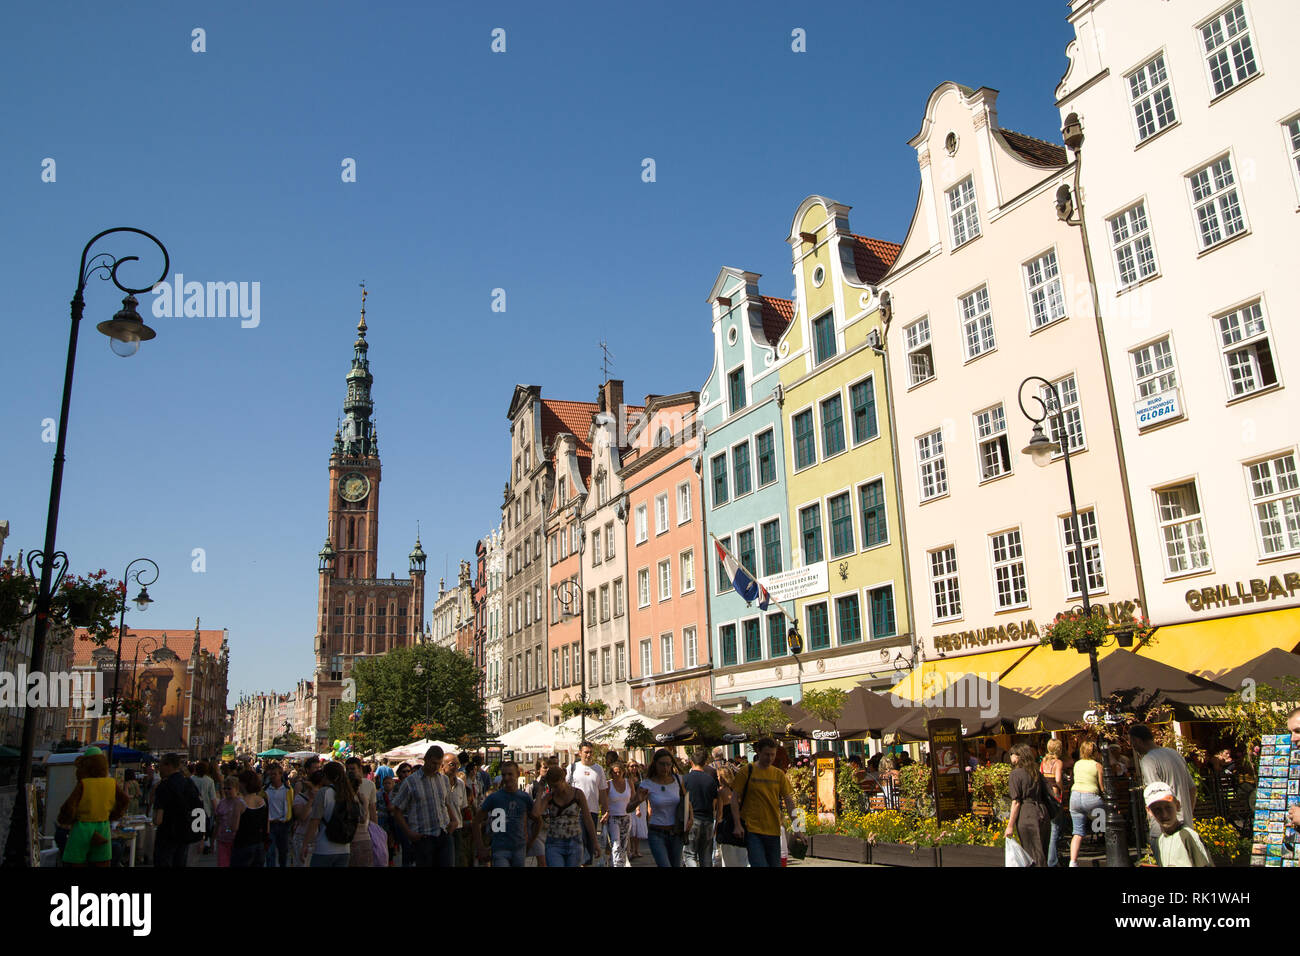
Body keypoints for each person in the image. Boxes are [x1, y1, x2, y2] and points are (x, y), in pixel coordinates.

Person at [1129, 724, 1196, 860]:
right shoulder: (1174, 753)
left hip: (1165, 830)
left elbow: (1156, 797)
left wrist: (1164, 823)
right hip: (1185, 825)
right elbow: (1192, 788)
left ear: (1137, 740)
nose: (1133, 747)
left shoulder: (1148, 760)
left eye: (1132, 743)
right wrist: (1186, 813)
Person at [727, 738, 794, 868]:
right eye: (767, 754)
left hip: (773, 830)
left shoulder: (778, 775)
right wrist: (737, 824)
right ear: (758, 752)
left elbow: (790, 801)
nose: (770, 758)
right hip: (752, 830)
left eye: (772, 755)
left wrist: (798, 828)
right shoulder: (747, 771)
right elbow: (734, 798)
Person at [57, 747, 128, 868]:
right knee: (101, 861)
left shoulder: (84, 784)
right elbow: (124, 801)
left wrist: (66, 820)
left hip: (82, 828)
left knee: (75, 861)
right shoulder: (111, 783)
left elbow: (69, 807)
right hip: (103, 827)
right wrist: (113, 815)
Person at [390, 746, 460, 867]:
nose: (435, 767)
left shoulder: (443, 780)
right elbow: (397, 810)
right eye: (433, 763)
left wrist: (454, 820)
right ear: (426, 760)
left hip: (443, 833)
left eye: (438, 764)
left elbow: (446, 803)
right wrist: (409, 833)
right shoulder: (411, 782)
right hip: (423, 837)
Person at [626, 749, 693, 868]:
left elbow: (686, 801)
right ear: (655, 764)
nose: (665, 767)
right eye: (662, 764)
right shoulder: (647, 784)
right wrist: (638, 800)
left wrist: (690, 818)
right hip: (656, 833)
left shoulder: (678, 780)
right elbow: (628, 808)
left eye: (668, 764)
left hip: (676, 832)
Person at [534, 765, 601, 867]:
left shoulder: (577, 794)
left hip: (574, 841)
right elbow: (536, 813)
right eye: (552, 787)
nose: (554, 789)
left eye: (556, 786)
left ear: (563, 779)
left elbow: (588, 819)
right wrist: (539, 792)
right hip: (554, 843)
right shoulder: (549, 797)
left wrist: (595, 843)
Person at [474, 761, 538, 867]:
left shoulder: (524, 797)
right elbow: (476, 821)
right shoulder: (494, 798)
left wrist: (531, 841)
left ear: (517, 774)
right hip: (499, 848)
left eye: (510, 774)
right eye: (504, 775)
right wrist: (480, 847)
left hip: (519, 848)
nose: (507, 778)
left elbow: (537, 820)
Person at [302, 761, 356, 867]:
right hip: (344, 848)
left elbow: (315, 821)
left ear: (326, 775)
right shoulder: (349, 793)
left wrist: (305, 845)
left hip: (325, 847)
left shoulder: (324, 792)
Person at [152, 753, 202, 867]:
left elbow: (158, 819)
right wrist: (200, 835)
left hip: (166, 835)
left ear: (168, 765)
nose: (159, 769)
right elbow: (198, 808)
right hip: (184, 833)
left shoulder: (164, 786)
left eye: (160, 765)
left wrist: (154, 820)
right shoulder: (189, 783)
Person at [1005, 744, 1051, 867]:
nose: (1010, 757)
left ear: (1018, 756)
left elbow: (1016, 802)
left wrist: (1010, 826)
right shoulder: (1035, 771)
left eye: (1011, 754)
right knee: (1042, 852)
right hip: (1042, 811)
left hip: (1027, 814)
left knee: (1031, 853)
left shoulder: (1015, 774)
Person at [1145, 782, 1211, 867]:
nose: (1164, 814)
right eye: (1157, 809)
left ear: (1177, 805)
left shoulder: (1187, 836)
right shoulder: (1160, 840)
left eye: (1168, 807)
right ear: (1149, 811)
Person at [566, 741, 609, 866]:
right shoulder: (572, 768)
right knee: (580, 841)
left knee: (590, 842)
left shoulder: (598, 769)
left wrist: (605, 810)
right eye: (586, 752)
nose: (589, 755)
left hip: (592, 811)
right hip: (576, 811)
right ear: (580, 753)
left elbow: (602, 791)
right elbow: (565, 788)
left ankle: (586, 864)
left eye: (591, 752)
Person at [1067, 740, 1104, 867]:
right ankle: (1110, 850)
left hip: (1075, 797)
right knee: (1108, 821)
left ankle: (1073, 862)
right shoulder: (1097, 765)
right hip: (1091, 797)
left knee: (1077, 832)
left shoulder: (1077, 764)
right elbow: (1101, 786)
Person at [683, 747, 718, 867]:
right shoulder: (710, 780)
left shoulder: (685, 779)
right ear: (705, 763)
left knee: (689, 854)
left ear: (691, 762)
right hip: (708, 820)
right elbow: (714, 802)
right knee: (706, 855)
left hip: (692, 820)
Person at [230, 770, 268, 867]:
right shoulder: (263, 801)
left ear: (243, 784)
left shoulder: (240, 802)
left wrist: (227, 828)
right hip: (259, 844)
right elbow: (267, 826)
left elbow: (234, 827)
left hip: (242, 844)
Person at [346, 756, 377, 867]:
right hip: (346, 835)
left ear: (360, 769)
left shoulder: (369, 785)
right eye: (348, 769)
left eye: (353, 768)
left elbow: (372, 809)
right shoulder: (343, 785)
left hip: (364, 833)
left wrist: (375, 831)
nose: (350, 771)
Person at [715, 764, 749, 867]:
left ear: (721, 777)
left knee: (728, 859)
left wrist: (716, 828)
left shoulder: (721, 792)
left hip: (727, 828)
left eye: (717, 776)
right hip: (741, 825)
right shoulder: (738, 790)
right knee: (742, 859)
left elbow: (720, 813)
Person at [442, 752, 472, 866]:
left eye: (457, 765)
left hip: (458, 828)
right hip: (443, 829)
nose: (455, 767)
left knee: (457, 859)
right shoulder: (438, 783)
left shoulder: (460, 784)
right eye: (451, 764)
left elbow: (464, 807)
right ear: (442, 766)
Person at [604, 758, 635, 867]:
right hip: (613, 817)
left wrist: (638, 808)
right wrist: (605, 813)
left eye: (619, 772)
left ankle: (618, 863)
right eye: (614, 772)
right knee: (616, 843)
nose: (617, 774)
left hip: (626, 817)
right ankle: (617, 864)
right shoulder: (608, 785)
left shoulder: (628, 782)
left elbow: (634, 798)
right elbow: (604, 801)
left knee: (623, 844)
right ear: (611, 773)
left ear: (623, 772)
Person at [1040, 739, 1065, 867]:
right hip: (1055, 794)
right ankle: (1052, 861)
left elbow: (1041, 776)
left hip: (1045, 795)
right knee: (1055, 828)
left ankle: (1050, 858)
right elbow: (1058, 779)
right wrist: (1062, 787)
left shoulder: (1043, 761)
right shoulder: (1058, 762)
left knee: (1049, 828)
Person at [263, 763, 294, 867]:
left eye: (275, 774)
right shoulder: (265, 790)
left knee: (283, 852)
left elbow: (291, 806)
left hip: (283, 824)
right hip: (270, 824)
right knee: (270, 853)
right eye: (270, 774)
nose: (272, 776)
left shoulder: (288, 790)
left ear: (280, 774)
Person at [291, 769, 322, 867]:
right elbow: (302, 817)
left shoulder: (325, 798)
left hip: (319, 840)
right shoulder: (300, 798)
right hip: (302, 838)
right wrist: (311, 800)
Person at [214, 774, 243, 867]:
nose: (226, 791)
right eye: (224, 788)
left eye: (229, 788)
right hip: (222, 839)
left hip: (237, 840)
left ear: (237, 789)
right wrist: (213, 838)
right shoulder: (221, 803)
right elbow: (218, 821)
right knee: (223, 863)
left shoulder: (240, 803)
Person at [191, 761, 218, 854]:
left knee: (195, 827)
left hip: (193, 808)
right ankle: (205, 844)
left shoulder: (191, 779)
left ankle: (196, 844)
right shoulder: (209, 781)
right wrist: (216, 811)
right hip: (206, 809)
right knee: (205, 828)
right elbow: (213, 798)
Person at [627, 759, 647, 859]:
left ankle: (636, 850)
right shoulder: (627, 779)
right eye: (632, 766)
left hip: (641, 803)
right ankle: (630, 850)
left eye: (635, 766)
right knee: (632, 827)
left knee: (638, 828)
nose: (634, 768)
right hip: (631, 804)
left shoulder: (641, 778)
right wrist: (636, 807)